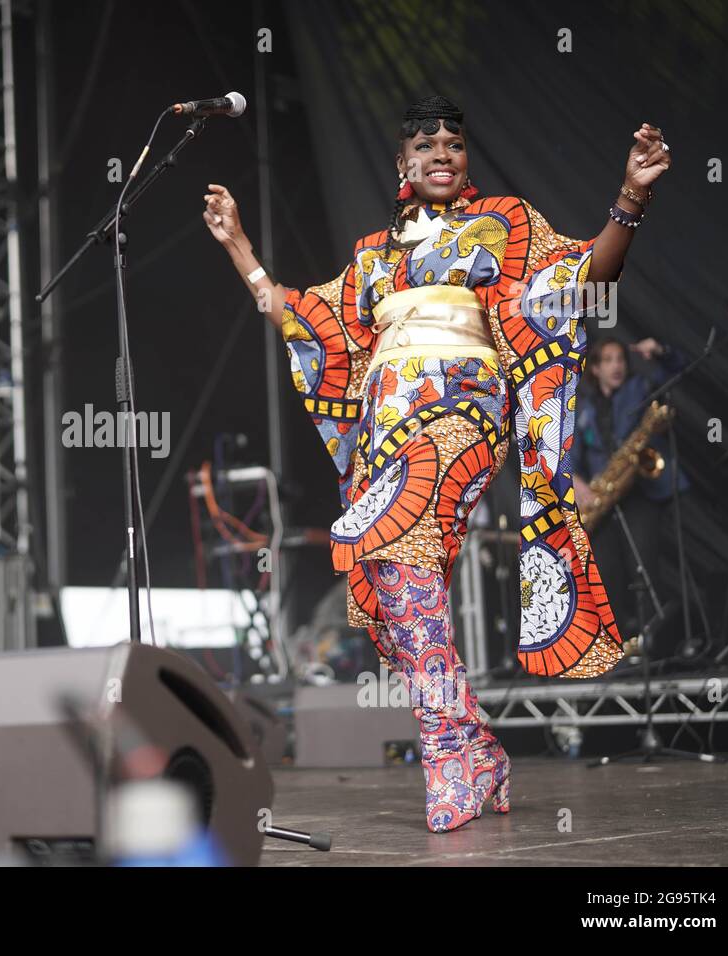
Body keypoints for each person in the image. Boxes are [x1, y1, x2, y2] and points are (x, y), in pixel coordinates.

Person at [203, 95, 670, 832]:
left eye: (454, 143)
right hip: (386, 431)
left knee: (397, 538)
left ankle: (448, 748)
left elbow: (585, 278)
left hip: (462, 413)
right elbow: (307, 324)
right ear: (402, 164)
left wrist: (632, 196)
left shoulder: (506, 226)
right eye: (426, 146)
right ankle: (473, 747)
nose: (443, 154)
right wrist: (238, 248)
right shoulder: (370, 256)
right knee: (398, 572)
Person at [574, 335, 692, 656]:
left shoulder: (640, 388)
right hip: (603, 499)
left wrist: (662, 352)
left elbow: (677, 373)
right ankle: (619, 647)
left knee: (644, 568)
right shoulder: (583, 407)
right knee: (607, 574)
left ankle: (655, 645)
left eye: (621, 360)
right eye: (609, 360)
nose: (617, 366)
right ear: (595, 368)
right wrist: (578, 483)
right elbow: (571, 459)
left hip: (639, 494)